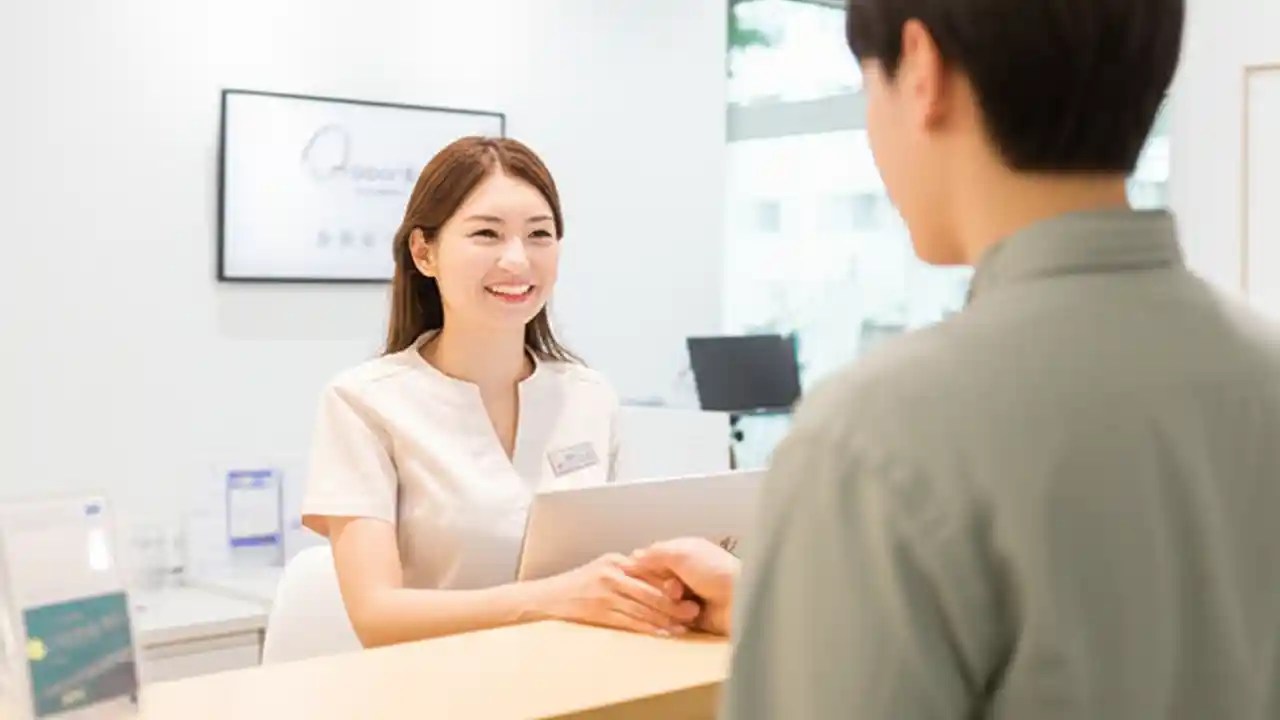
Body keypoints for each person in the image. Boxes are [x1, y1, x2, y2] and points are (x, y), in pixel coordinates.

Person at [633, 0, 1280, 717]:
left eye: (865, 86)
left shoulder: (873, 437)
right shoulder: (1262, 373)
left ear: (922, 69)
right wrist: (801, 610)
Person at [300, 136, 699, 648]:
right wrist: (555, 598)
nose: (517, 260)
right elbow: (378, 616)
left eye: (539, 234)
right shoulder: (363, 402)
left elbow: (621, 567)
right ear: (424, 252)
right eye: (487, 234)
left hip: (586, 677)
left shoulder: (588, 395)